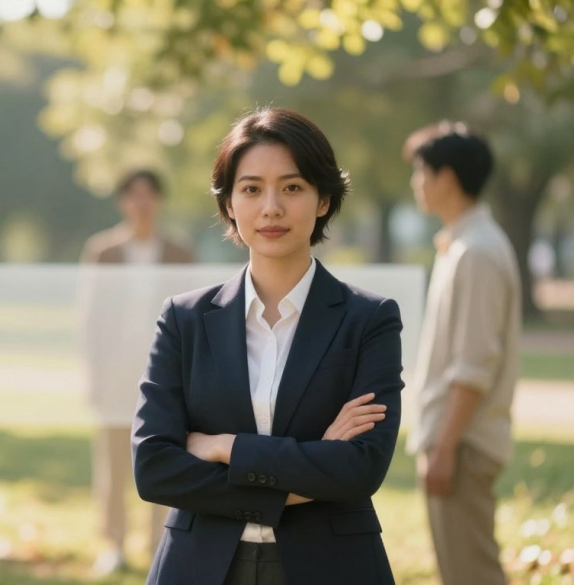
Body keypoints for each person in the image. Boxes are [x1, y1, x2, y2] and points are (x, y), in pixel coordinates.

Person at [132, 108, 403, 585]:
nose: (271, 207)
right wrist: (312, 462)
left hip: (333, 568)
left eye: (292, 187)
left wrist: (225, 446)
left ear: (323, 199)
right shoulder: (184, 319)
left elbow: (360, 469)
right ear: (230, 203)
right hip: (197, 567)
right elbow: (155, 468)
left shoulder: (369, 320)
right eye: (252, 188)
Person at [404, 122, 519, 585]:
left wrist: (446, 447)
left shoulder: (477, 252)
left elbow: (474, 363)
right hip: (456, 440)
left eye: (421, 172)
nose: (417, 183)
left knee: (473, 575)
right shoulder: (463, 246)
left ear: (447, 178)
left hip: (463, 443)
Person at [79, 169, 195, 574]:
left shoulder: (180, 252)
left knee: (163, 456)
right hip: (115, 370)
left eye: (149, 194)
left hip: (164, 374)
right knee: (112, 459)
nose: (141, 203)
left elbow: (193, 323)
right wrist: (92, 375)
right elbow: (91, 320)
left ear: (159, 201)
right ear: (123, 201)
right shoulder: (103, 252)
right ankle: (113, 543)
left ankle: (159, 541)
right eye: (133, 195)